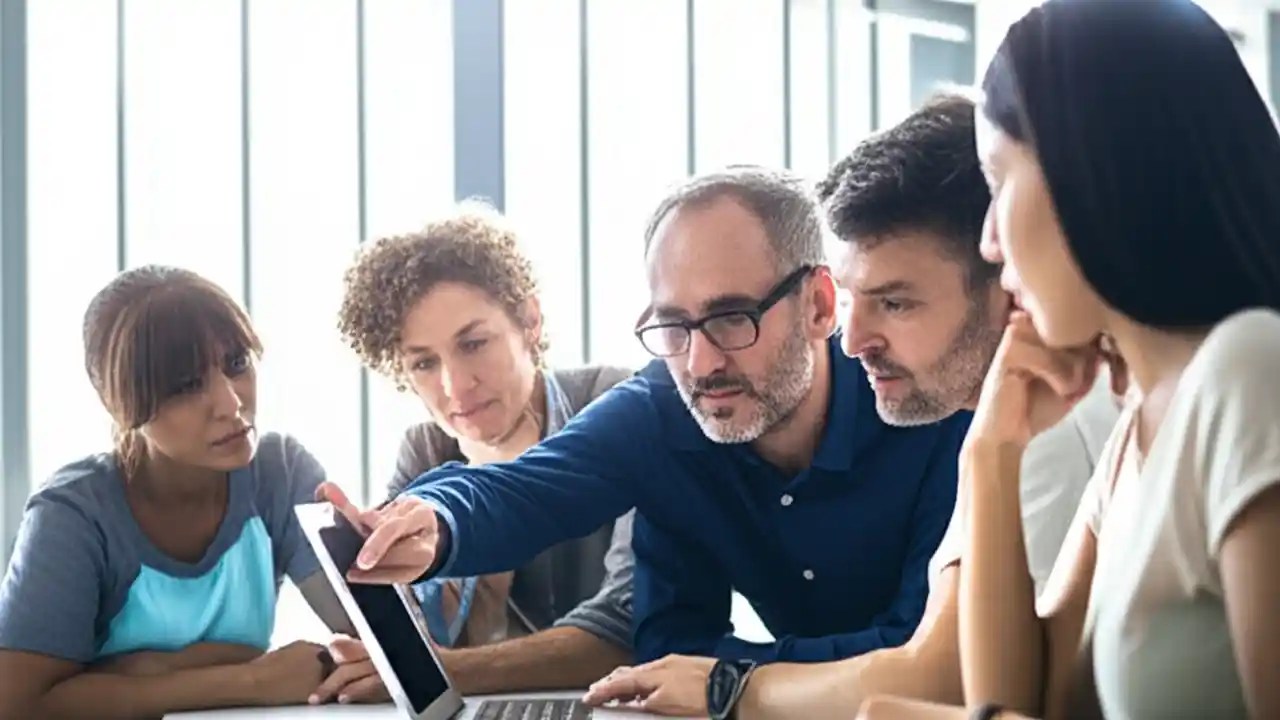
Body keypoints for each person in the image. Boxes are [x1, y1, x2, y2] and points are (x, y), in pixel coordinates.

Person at [319, 166, 975, 695]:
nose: (701, 362)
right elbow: (533, 490)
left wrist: (730, 680)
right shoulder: (667, 409)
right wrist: (435, 520)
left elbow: (922, 652)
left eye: (730, 318)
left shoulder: (923, 406)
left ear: (819, 306)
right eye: (673, 326)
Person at [580, 93, 1119, 717]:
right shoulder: (993, 428)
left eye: (895, 303)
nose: (853, 341)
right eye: (855, 298)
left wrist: (726, 687)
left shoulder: (1053, 431)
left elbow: (946, 677)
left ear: (1008, 284)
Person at [859, 1, 1280, 718]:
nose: (991, 242)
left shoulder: (1247, 373)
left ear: (1095, 170)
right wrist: (989, 455)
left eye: (998, 183)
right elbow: (1020, 700)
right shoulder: (1136, 435)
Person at [313, 204, 635, 702]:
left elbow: (627, 625)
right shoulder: (425, 453)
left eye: (474, 344)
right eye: (423, 362)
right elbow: (411, 633)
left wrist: (446, 670)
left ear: (529, 320)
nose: (456, 386)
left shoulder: (616, 405)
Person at [0, 266, 350, 719]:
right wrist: (249, 677)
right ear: (118, 400)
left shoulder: (279, 472)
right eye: (186, 386)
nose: (231, 403)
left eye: (236, 363)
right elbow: (17, 705)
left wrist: (145, 671)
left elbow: (372, 648)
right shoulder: (74, 514)